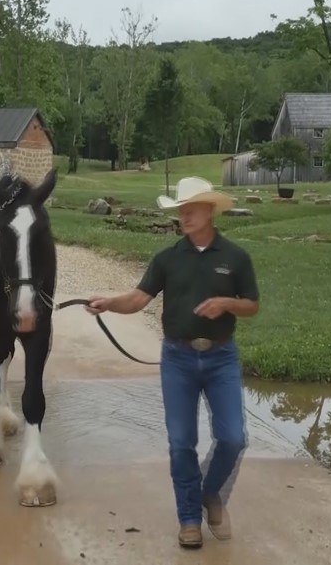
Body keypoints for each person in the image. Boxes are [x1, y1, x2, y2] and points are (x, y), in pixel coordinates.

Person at [85, 176, 259, 549]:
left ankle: (210, 492)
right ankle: (189, 520)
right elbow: (137, 299)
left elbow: (252, 306)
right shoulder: (167, 259)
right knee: (182, 443)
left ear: (210, 211)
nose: (184, 215)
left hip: (221, 358)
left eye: (191, 208)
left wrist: (226, 304)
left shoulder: (236, 258)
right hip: (178, 360)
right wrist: (108, 302)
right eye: (180, 209)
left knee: (233, 438)